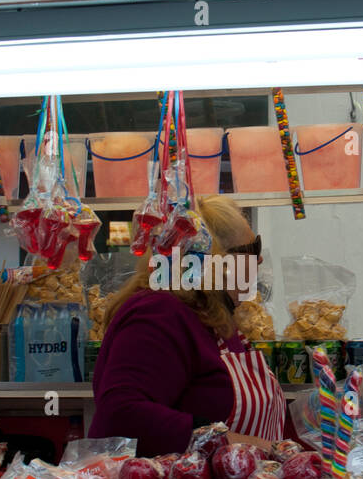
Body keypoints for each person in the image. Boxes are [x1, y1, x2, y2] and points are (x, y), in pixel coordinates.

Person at [88, 195, 288, 456]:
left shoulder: (217, 321)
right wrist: (234, 443)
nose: (259, 261)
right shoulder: (159, 314)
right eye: (252, 250)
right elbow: (120, 415)